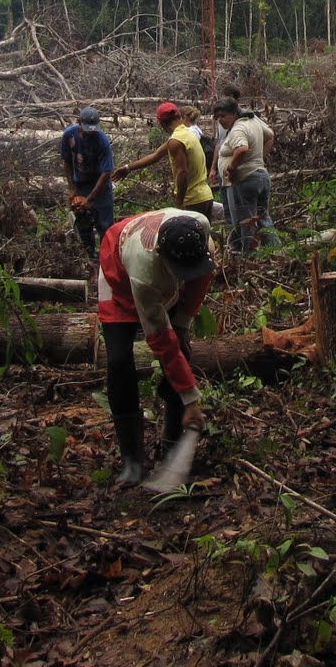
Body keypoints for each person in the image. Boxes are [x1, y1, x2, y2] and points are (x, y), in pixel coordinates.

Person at [97, 208, 216, 483]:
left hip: (160, 271)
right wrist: (191, 399)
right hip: (118, 273)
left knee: (181, 351)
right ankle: (132, 460)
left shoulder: (200, 231)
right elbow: (161, 339)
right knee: (118, 361)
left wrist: (184, 321)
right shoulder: (144, 272)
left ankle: (171, 446)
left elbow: (201, 277)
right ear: (164, 256)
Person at [112, 102, 214, 217]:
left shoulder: (176, 141)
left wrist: (179, 202)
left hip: (192, 200)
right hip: (205, 196)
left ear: (160, 123)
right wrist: (127, 168)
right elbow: (156, 155)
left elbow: (182, 172)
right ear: (179, 116)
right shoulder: (186, 133)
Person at [213, 97, 280, 253]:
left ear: (234, 113)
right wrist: (260, 158)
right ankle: (275, 251)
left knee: (246, 222)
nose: (220, 120)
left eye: (223, 116)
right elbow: (270, 135)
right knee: (262, 217)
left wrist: (232, 168)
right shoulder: (253, 122)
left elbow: (242, 148)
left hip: (246, 180)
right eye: (217, 117)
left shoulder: (238, 129)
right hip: (260, 176)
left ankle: (248, 256)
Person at [59, 105, 114, 261]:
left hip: (100, 187)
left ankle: (107, 260)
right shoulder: (69, 136)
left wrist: (91, 199)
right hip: (81, 183)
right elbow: (67, 161)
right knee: (83, 223)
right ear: (79, 123)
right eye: (87, 128)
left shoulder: (102, 141)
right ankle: (89, 258)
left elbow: (106, 172)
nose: (90, 132)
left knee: (105, 226)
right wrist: (72, 188)